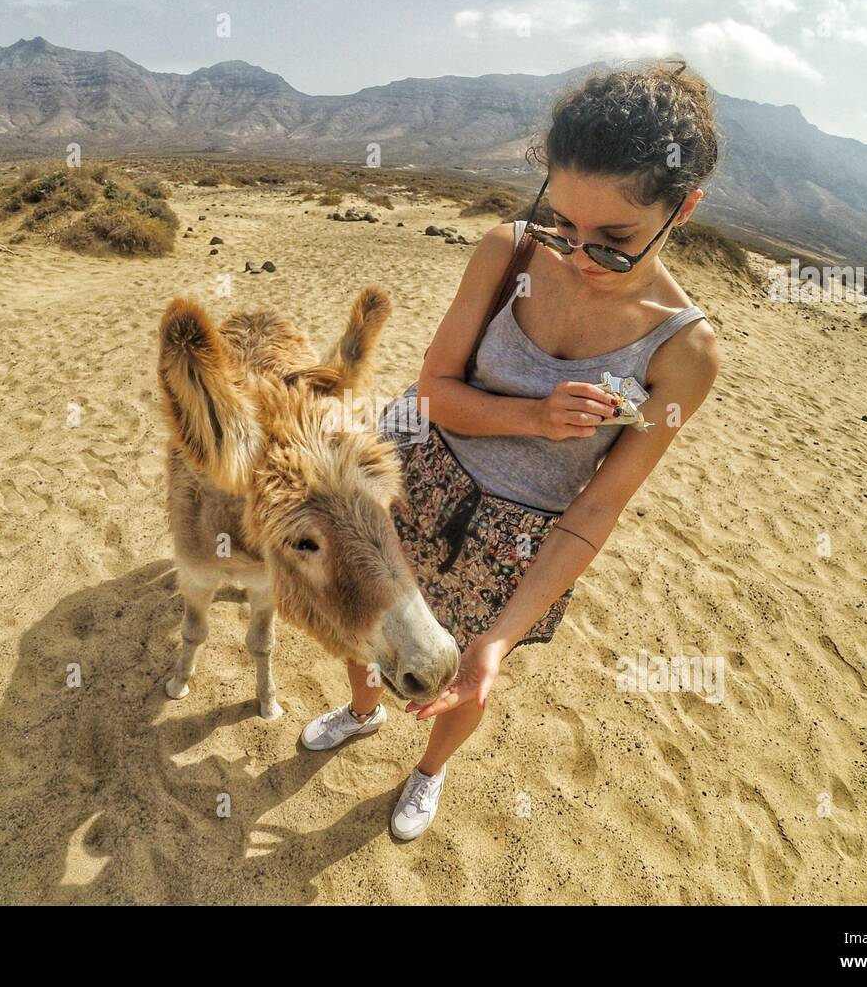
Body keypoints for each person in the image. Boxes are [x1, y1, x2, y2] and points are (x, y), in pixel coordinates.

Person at [300, 60, 723, 841]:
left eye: (615, 240)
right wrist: (538, 417)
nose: (577, 255)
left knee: (465, 674)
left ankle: (429, 770)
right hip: (410, 473)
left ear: (683, 208)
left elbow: (598, 503)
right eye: (562, 222)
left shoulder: (684, 351)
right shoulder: (510, 252)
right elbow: (431, 392)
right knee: (367, 620)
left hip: (511, 542)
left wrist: (498, 639)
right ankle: (362, 712)